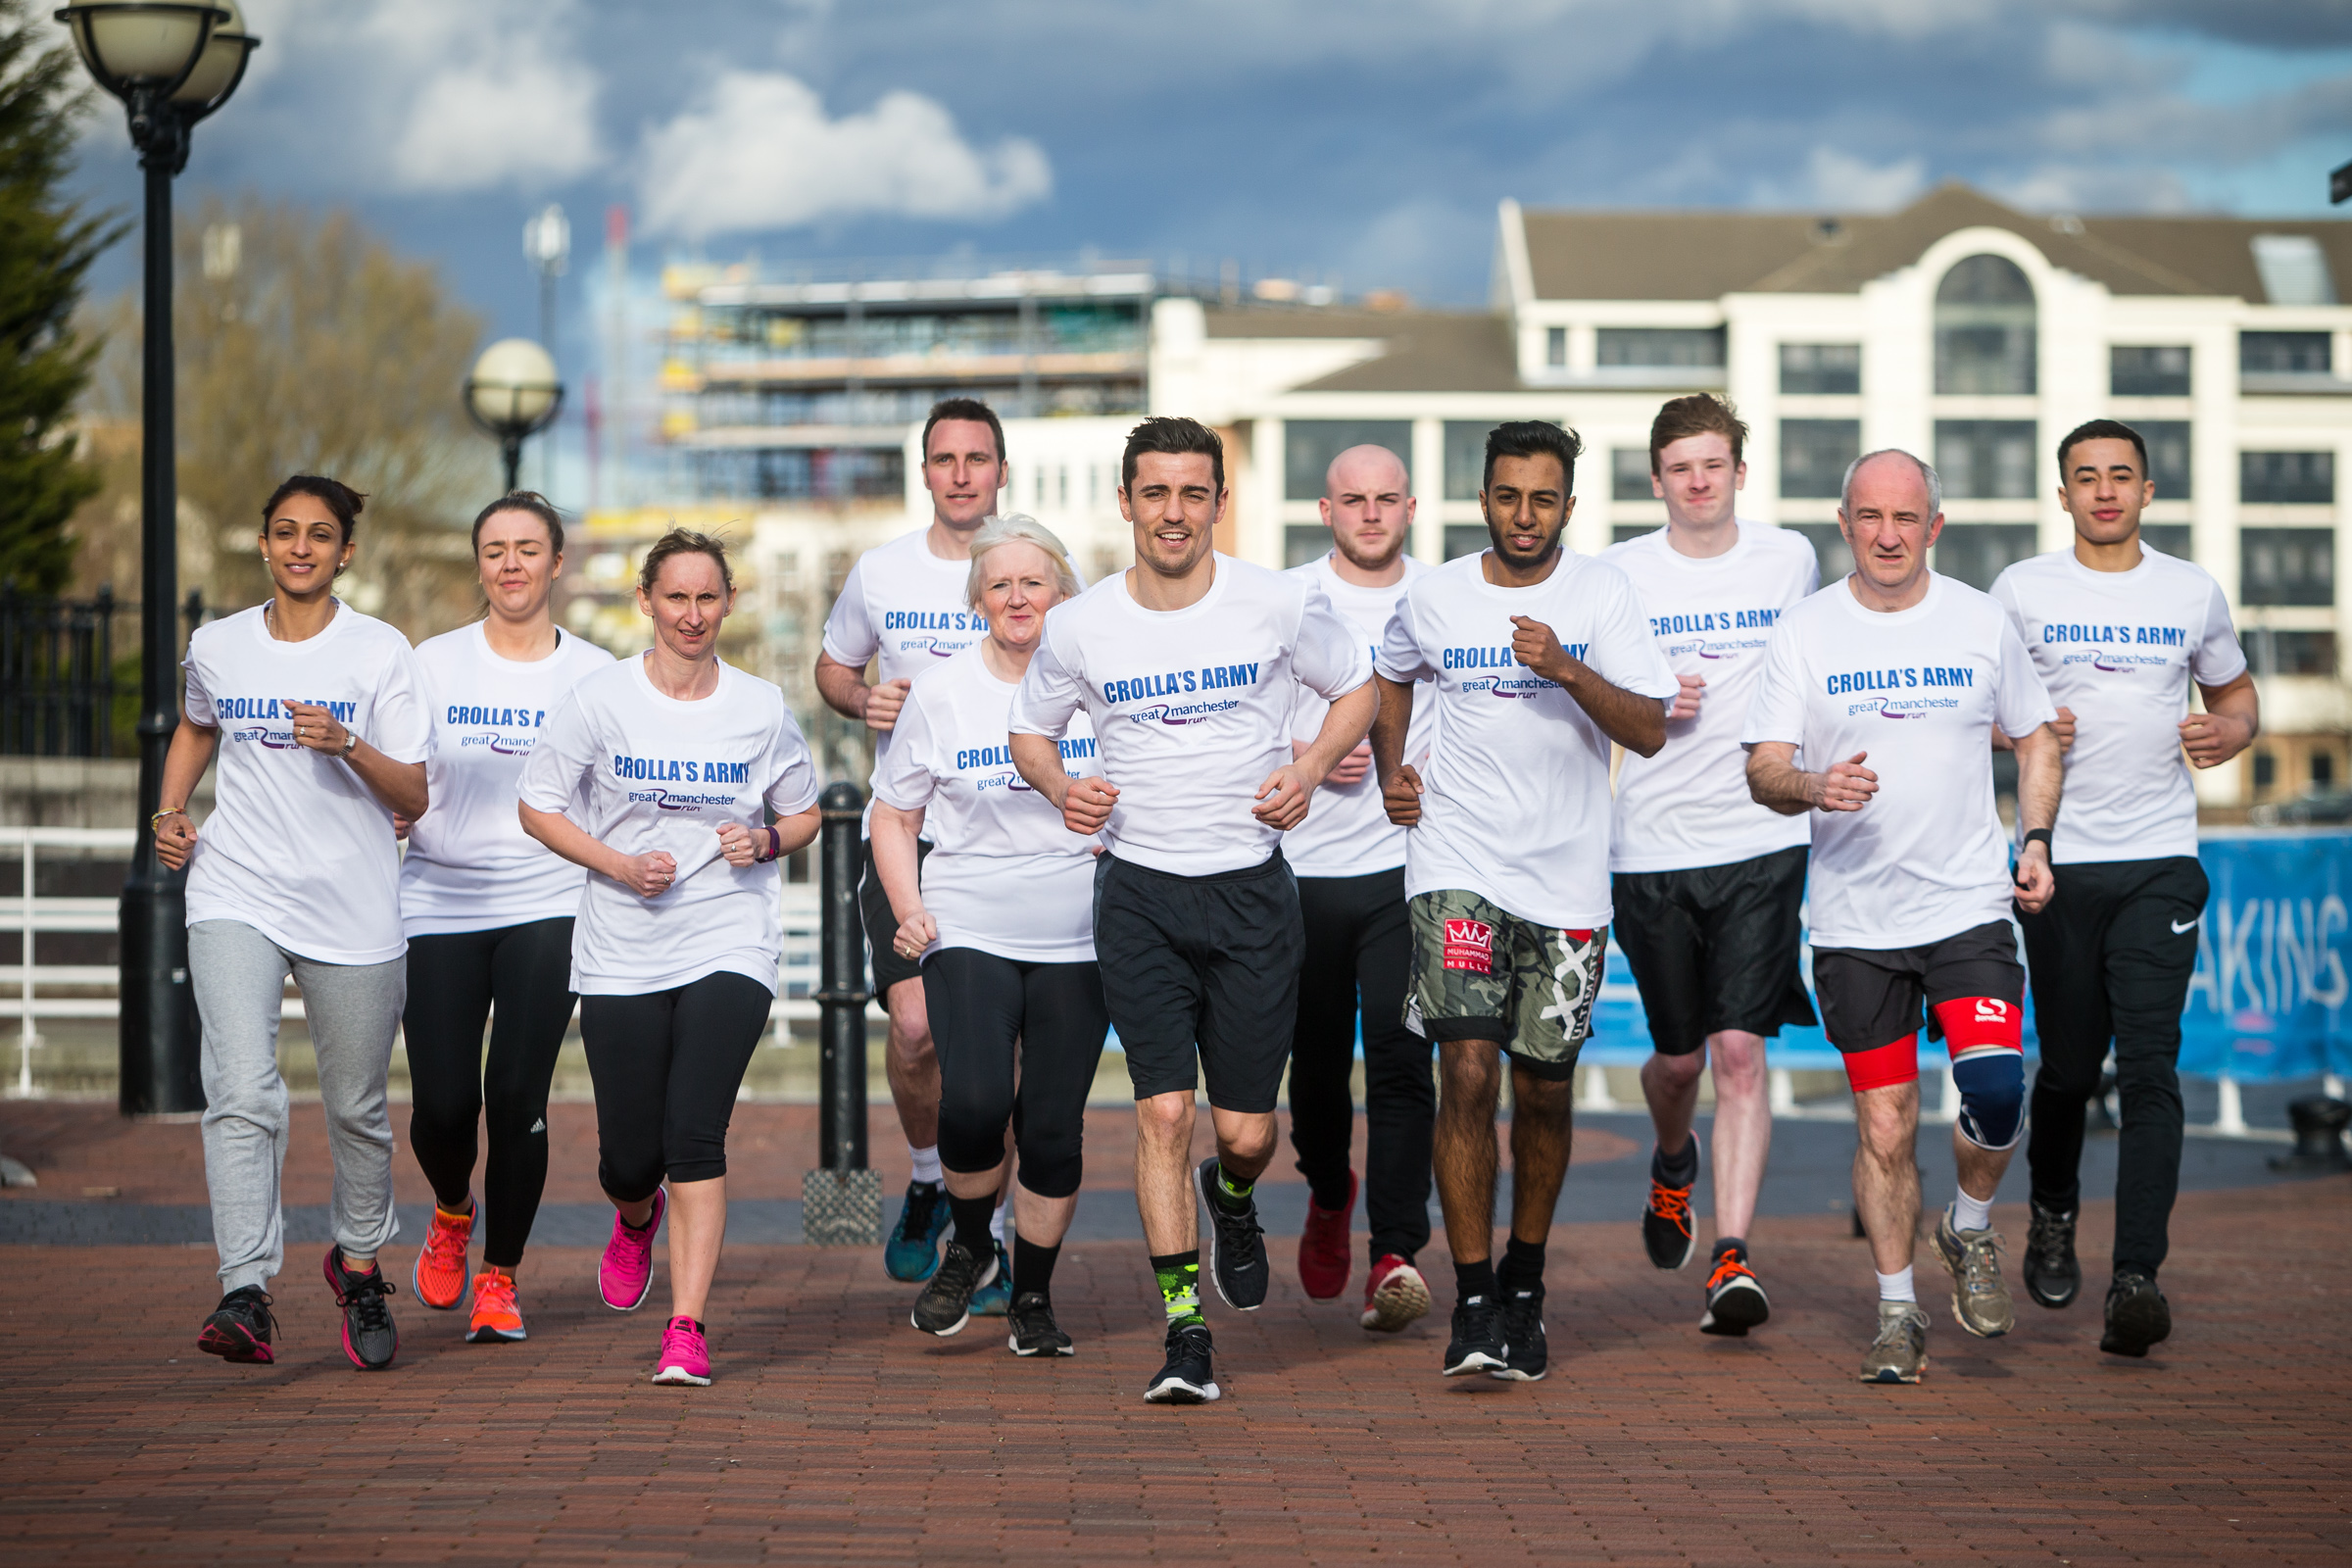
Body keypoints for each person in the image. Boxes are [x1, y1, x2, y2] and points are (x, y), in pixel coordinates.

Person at [1008, 416, 1375, 1405]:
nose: (1174, 511)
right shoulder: (1080, 624)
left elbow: (1360, 688)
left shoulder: (1277, 601)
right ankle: (1185, 1332)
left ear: (1219, 502)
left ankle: (1238, 1194)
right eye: (1156, 492)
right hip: (1137, 890)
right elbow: (1029, 733)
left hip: (1253, 891)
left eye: (1193, 492)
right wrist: (1059, 787)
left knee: (1245, 1129)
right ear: (1126, 502)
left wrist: (1305, 767)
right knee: (1164, 1110)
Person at [1742, 449, 2062, 1386]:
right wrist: (1812, 784)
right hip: (1854, 923)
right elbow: (1763, 769)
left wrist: (2035, 839)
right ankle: (1897, 1312)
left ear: (1935, 525)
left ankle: (1966, 1227)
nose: (1888, 535)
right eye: (1869, 517)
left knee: (1998, 1096)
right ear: (1843, 524)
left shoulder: (1978, 618)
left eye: (1906, 518)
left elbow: (2037, 734)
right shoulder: (1804, 631)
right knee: (1884, 1128)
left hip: (1966, 903)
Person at [1372, 420, 1678, 1384]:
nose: (1524, 515)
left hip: (1568, 881)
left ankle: (1525, 1284)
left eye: (1543, 499)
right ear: (1483, 500)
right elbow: (1388, 674)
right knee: (1465, 1067)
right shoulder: (1438, 595)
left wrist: (1569, 669)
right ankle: (1470, 1300)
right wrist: (1393, 768)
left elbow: (1653, 727)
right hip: (1457, 861)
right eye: (1508, 496)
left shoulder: (1602, 593)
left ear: (1569, 507)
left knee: (1544, 1085)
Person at [518, 529, 821, 1387]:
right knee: (630, 1156)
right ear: (645, 602)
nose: (693, 615)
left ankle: (686, 1326)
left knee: (696, 1133)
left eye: (708, 597)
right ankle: (634, 1213)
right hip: (620, 947)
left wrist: (761, 839)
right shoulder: (599, 700)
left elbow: (803, 816)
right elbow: (537, 806)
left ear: (729, 604)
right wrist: (615, 864)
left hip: (729, 936)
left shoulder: (760, 707)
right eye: (676, 597)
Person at [1991, 419, 2257, 1358]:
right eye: (2085, 477)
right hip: (2058, 860)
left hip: (2159, 860)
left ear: (2148, 491)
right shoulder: (2020, 591)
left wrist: (2232, 735)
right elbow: (1971, 716)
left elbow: (2235, 698)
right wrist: (2018, 729)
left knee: (2150, 1068)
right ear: (2061, 495)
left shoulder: (2191, 591)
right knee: (2066, 1071)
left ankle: (2137, 1276)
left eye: (2121, 476)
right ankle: (2054, 1212)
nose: (2104, 491)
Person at [158, 475, 433, 1372]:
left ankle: (358, 1266)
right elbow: (197, 727)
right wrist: (170, 813)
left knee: (355, 1110)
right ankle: (245, 1289)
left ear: (345, 551)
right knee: (240, 1089)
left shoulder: (381, 652)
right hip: (235, 887)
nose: (302, 547)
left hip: (351, 906)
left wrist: (347, 746)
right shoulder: (219, 644)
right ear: (265, 544)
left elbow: (415, 794)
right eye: (285, 532)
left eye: (321, 535)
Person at [1598, 395, 1818, 1336]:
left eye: (1714, 464)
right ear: (1657, 480)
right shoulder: (1615, 575)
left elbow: (1814, 671)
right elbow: (1585, 697)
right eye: (1681, 467)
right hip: (1649, 842)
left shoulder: (1791, 558)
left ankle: (1732, 1256)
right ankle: (1671, 1157)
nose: (1699, 481)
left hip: (1763, 836)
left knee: (1739, 1051)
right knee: (1680, 1059)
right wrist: (1646, 696)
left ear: (1739, 471)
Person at [870, 515, 1108, 1353]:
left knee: (1050, 1127)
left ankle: (1033, 1296)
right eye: (1000, 583)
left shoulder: (1101, 680)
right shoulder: (941, 691)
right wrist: (910, 910)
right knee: (973, 1104)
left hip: (1080, 933)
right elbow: (894, 815)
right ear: (977, 600)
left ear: (1062, 596)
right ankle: (971, 1240)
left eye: (1033, 582)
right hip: (968, 919)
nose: (1017, 597)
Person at [398, 492, 614, 1345]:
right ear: (479, 563)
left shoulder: (596, 674)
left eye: (529, 548)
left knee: (516, 1094)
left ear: (557, 563)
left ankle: (501, 1273)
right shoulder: (431, 664)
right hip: (439, 898)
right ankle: (454, 1209)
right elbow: (397, 775)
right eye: (495, 549)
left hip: (549, 897)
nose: (512, 563)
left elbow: (617, 794)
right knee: (444, 1105)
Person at [817, 397, 1016, 1298]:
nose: (963, 473)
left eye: (979, 457)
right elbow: (832, 666)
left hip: (1011, 835)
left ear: (1001, 471)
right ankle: (932, 1179)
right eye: (946, 459)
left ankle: (998, 1234)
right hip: (909, 835)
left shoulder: (1036, 567)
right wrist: (862, 701)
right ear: (926, 473)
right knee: (914, 1026)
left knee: (993, 1048)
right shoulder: (883, 571)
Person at [1281, 444, 1439, 1332]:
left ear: (1410, 507)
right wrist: (1312, 758)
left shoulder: (1444, 599)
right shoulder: (1288, 599)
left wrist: (1414, 767)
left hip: (1409, 870)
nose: (1371, 514)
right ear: (1325, 509)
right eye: (1353, 500)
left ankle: (1396, 1251)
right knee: (1314, 1071)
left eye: (1386, 499)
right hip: (1304, 871)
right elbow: (1254, 715)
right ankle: (1330, 1188)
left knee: (1402, 1059)